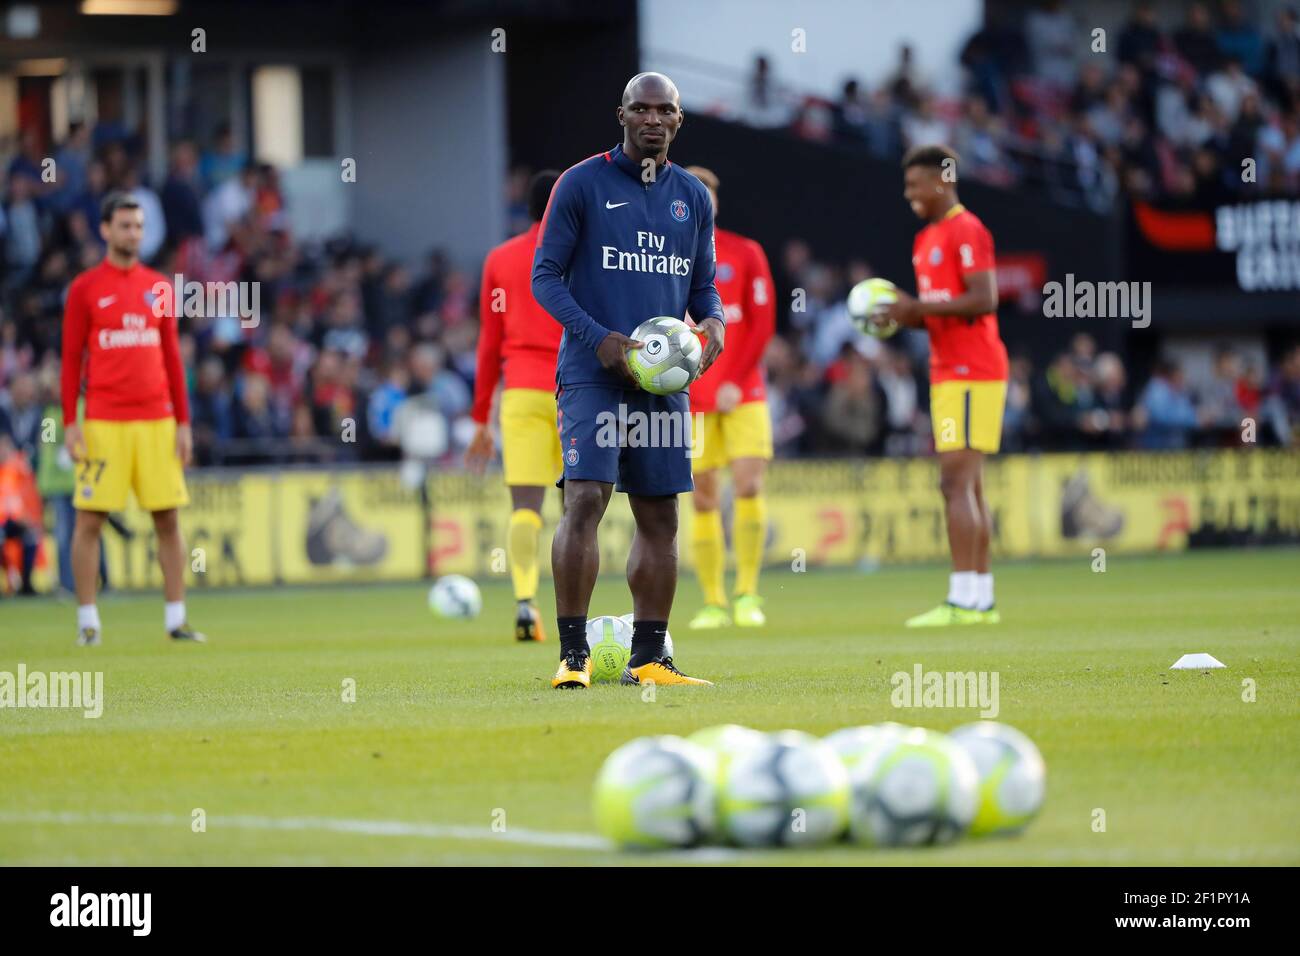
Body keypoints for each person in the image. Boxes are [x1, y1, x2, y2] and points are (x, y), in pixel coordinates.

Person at [531, 71, 725, 689]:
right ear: (621, 115)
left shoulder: (692, 197)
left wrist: (715, 322)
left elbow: (702, 286)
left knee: (660, 516)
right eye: (640, 108)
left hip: (663, 382)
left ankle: (649, 659)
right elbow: (545, 277)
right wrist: (600, 338)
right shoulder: (581, 184)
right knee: (585, 500)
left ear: (678, 120)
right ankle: (573, 657)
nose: (652, 119)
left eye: (663, 110)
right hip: (593, 373)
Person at [60, 191, 204, 645]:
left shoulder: (159, 287)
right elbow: (69, 360)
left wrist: (183, 422)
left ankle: (175, 619)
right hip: (104, 421)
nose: (133, 234)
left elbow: (172, 359)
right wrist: (70, 421)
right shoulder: (85, 288)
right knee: (89, 522)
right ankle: (88, 621)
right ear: (105, 230)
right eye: (125, 225)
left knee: (168, 520)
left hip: (157, 421)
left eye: (139, 226)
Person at [878, 145, 1007, 626]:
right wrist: (901, 318)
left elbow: (984, 298)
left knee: (954, 482)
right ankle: (980, 598)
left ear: (942, 181)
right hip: (947, 369)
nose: (909, 193)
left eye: (916, 184)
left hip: (974, 369)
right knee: (968, 485)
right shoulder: (924, 238)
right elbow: (939, 312)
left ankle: (963, 599)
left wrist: (916, 309)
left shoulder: (966, 228)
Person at [465, 170, 564, 643]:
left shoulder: (500, 260)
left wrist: (481, 417)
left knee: (526, 507)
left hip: (521, 392)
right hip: (576, 392)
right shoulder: (581, 252)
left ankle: (526, 602)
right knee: (579, 508)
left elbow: (489, 344)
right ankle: (574, 613)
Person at [681, 166, 775, 630]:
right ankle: (714, 601)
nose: (704, 199)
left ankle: (747, 594)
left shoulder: (747, 252)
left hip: (744, 394)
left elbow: (762, 323)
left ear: (715, 202)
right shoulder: (669, 257)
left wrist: (734, 378)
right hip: (692, 398)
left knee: (750, 485)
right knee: (702, 498)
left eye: (709, 193)